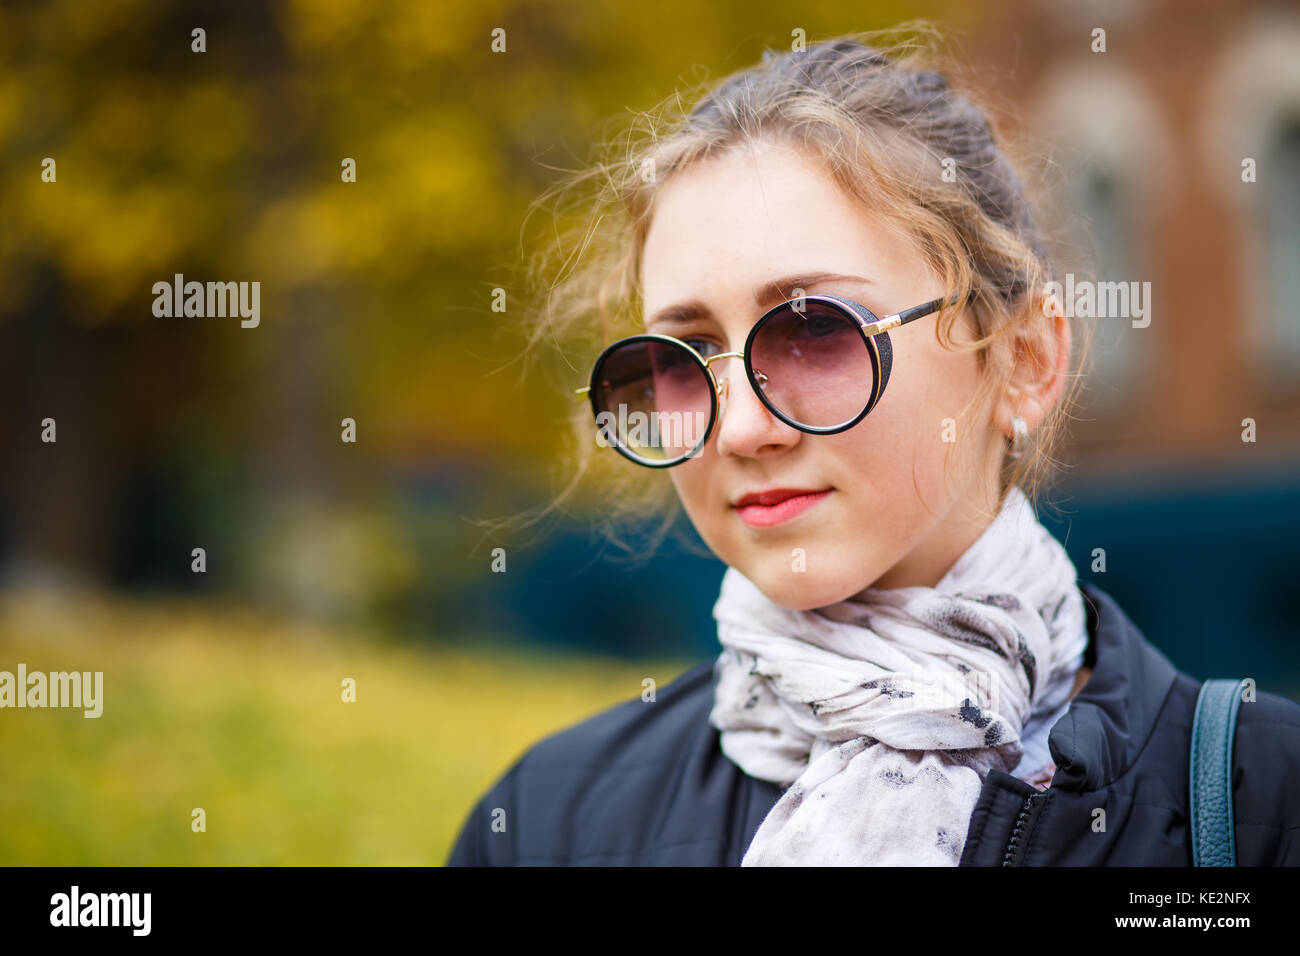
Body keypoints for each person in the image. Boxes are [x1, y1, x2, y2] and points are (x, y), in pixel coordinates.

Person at [448, 30, 1300, 866]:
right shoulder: (546, 821)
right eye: (687, 358)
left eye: (815, 332)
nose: (742, 427)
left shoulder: (1262, 802)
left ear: (1024, 359)